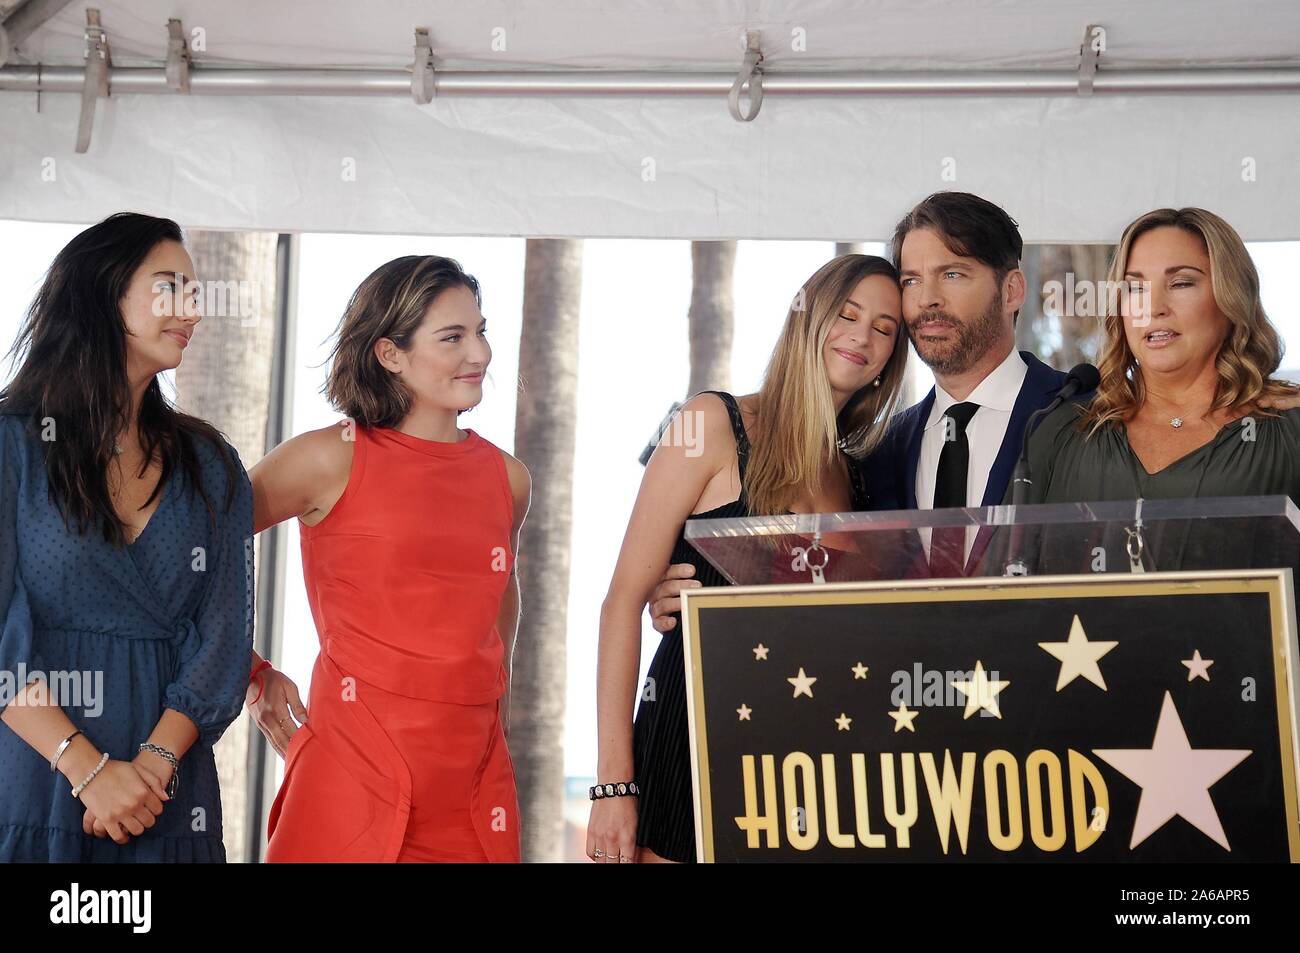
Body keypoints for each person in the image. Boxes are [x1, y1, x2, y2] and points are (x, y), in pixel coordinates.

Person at [588, 254, 909, 863]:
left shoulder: (859, 477)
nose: (862, 337)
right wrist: (613, 786)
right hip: (690, 739)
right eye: (846, 314)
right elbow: (622, 603)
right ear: (804, 319)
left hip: (803, 766)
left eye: (885, 328)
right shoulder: (711, 423)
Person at [247, 255, 530, 862]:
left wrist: (489, 719)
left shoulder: (507, 478)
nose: (478, 354)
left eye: (481, 331)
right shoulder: (327, 459)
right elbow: (191, 553)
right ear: (389, 353)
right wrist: (252, 673)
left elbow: (498, 602)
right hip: (350, 782)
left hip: (474, 794)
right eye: (452, 337)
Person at [0, 213, 254, 861]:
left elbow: (222, 639)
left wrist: (151, 767)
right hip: (31, 778)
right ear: (101, 293)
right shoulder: (12, 447)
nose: (193, 310)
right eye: (171, 286)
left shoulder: (211, 464)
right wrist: (88, 771)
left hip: (166, 795)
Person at [1019, 207, 1300, 507]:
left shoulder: (1288, 431)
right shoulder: (1064, 431)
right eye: (1135, 288)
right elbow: (1011, 551)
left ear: (1231, 297)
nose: (1153, 308)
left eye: (1181, 283)